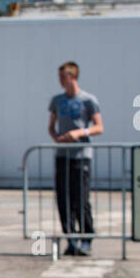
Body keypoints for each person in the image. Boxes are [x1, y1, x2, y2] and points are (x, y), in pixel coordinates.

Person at [48, 62, 103, 256]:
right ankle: (70, 237)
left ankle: (86, 237)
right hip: (63, 155)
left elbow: (98, 127)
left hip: (81, 156)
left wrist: (80, 132)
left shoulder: (88, 100)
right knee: (64, 198)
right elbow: (51, 126)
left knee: (81, 198)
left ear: (72, 77)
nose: (61, 80)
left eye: (63, 76)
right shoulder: (57, 100)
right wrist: (57, 138)